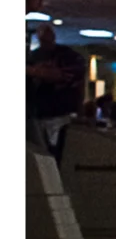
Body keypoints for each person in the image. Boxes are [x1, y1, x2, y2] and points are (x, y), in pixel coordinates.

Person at [25, 23, 87, 156]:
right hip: (39, 112)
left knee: (59, 150)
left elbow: (62, 76)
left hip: (60, 112)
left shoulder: (67, 56)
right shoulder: (34, 56)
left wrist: (35, 72)